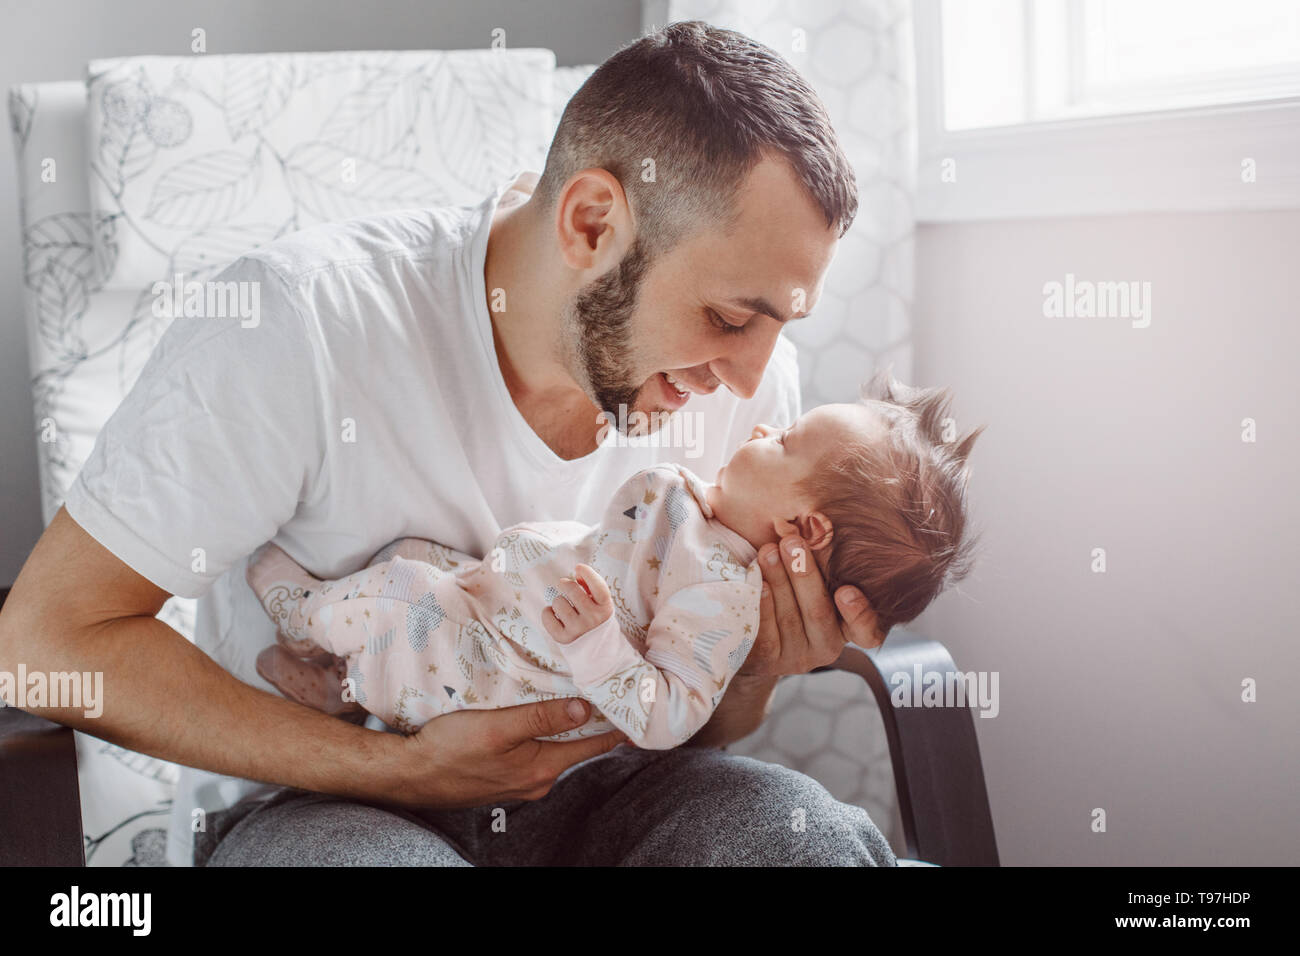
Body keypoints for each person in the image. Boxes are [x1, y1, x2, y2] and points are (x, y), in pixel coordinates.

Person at [0, 21, 897, 866]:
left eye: (779, 325)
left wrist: (757, 667)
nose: (751, 378)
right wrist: (401, 769)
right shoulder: (300, 326)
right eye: (731, 316)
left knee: (805, 840)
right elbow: (44, 645)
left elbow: (683, 715)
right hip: (332, 801)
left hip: (615, 788)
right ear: (592, 223)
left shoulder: (749, 405)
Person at [246, 379, 984, 751]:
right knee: (411, 565)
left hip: (500, 672)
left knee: (402, 598)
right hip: (493, 604)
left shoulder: (725, 595)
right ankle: (336, 682)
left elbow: (664, 716)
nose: (763, 424)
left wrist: (598, 643)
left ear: (803, 526)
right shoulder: (710, 527)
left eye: (784, 440)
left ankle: (306, 619)